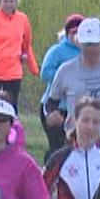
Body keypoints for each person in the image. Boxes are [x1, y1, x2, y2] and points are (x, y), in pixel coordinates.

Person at [38, 14, 85, 156]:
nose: (76, 36)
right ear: (66, 33)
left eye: (80, 32)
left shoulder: (88, 52)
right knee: (58, 148)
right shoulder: (57, 51)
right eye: (73, 32)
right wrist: (65, 81)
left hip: (77, 108)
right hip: (56, 107)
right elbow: (45, 73)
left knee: (75, 148)